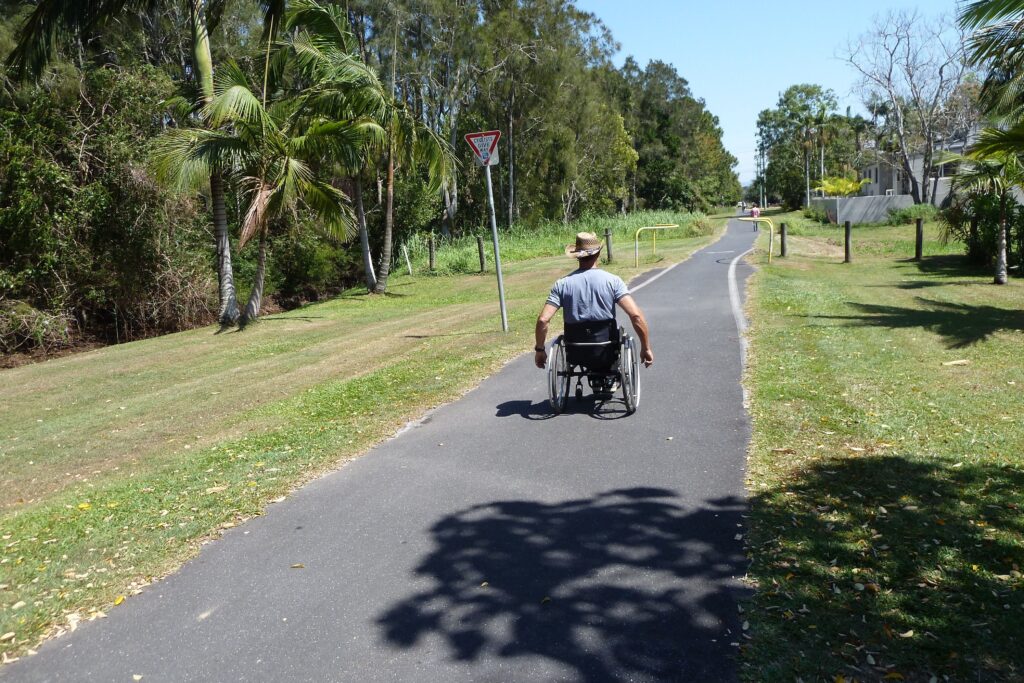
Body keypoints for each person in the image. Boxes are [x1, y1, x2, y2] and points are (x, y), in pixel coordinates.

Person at [534, 232, 654, 388]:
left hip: (575, 350)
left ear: (577, 256)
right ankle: (608, 376)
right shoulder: (613, 281)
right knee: (619, 335)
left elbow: (543, 319)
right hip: (606, 347)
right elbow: (636, 315)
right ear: (598, 253)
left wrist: (540, 349)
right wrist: (646, 348)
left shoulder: (562, 284)